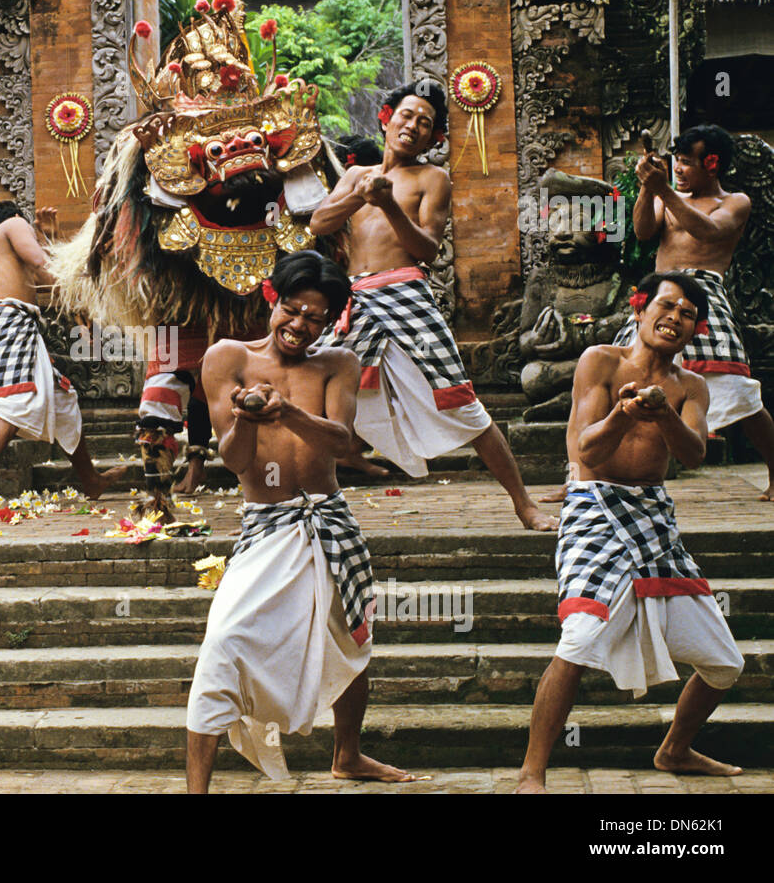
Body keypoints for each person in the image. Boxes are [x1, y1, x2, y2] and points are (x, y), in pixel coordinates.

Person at [186, 251, 413, 792]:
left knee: (352, 638)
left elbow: (344, 441)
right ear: (273, 300)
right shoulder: (227, 358)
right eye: (292, 310)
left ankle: (348, 755)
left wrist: (285, 411)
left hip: (329, 519)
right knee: (223, 641)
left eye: (316, 318)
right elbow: (236, 461)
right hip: (267, 525)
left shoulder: (336, 363)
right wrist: (245, 415)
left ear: (331, 320)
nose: (300, 326)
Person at [515, 272, 745, 794]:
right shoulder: (600, 361)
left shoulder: (691, 387)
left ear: (695, 330)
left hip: (654, 520)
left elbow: (694, 455)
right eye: (667, 306)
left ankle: (675, 749)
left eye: (688, 314)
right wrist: (623, 412)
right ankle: (532, 772)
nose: (676, 318)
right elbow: (585, 454)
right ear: (640, 311)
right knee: (579, 638)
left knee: (725, 664)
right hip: (594, 510)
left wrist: (664, 414)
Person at [309, 81, 556, 531]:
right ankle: (305, 505)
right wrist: (361, 191)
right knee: (310, 390)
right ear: (387, 118)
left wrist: (388, 205)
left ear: (433, 138)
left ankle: (525, 505)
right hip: (354, 298)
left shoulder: (432, 179)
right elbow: (319, 222)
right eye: (407, 115)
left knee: (460, 400)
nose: (413, 126)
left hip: (406, 293)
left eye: (425, 123)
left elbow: (426, 249)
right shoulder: (352, 174)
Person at [612, 124, 773, 501]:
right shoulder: (667, 195)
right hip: (658, 294)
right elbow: (643, 231)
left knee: (738, 394)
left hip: (703, 297)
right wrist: (650, 191)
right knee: (621, 376)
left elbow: (708, 232)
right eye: (676, 162)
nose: (679, 169)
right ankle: (584, 475)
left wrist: (664, 190)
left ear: (712, 165)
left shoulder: (735, 202)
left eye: (686, 163)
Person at [0, 202, 125, 517]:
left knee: (63, 401)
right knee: (12, 411)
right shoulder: (14, 224)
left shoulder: (4, 246)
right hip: (8, 324)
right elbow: (43, 263)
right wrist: (87, 271)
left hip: (17, 326)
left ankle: (91, 480)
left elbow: (47, 281)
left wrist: (51, 236)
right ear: (14, 215)